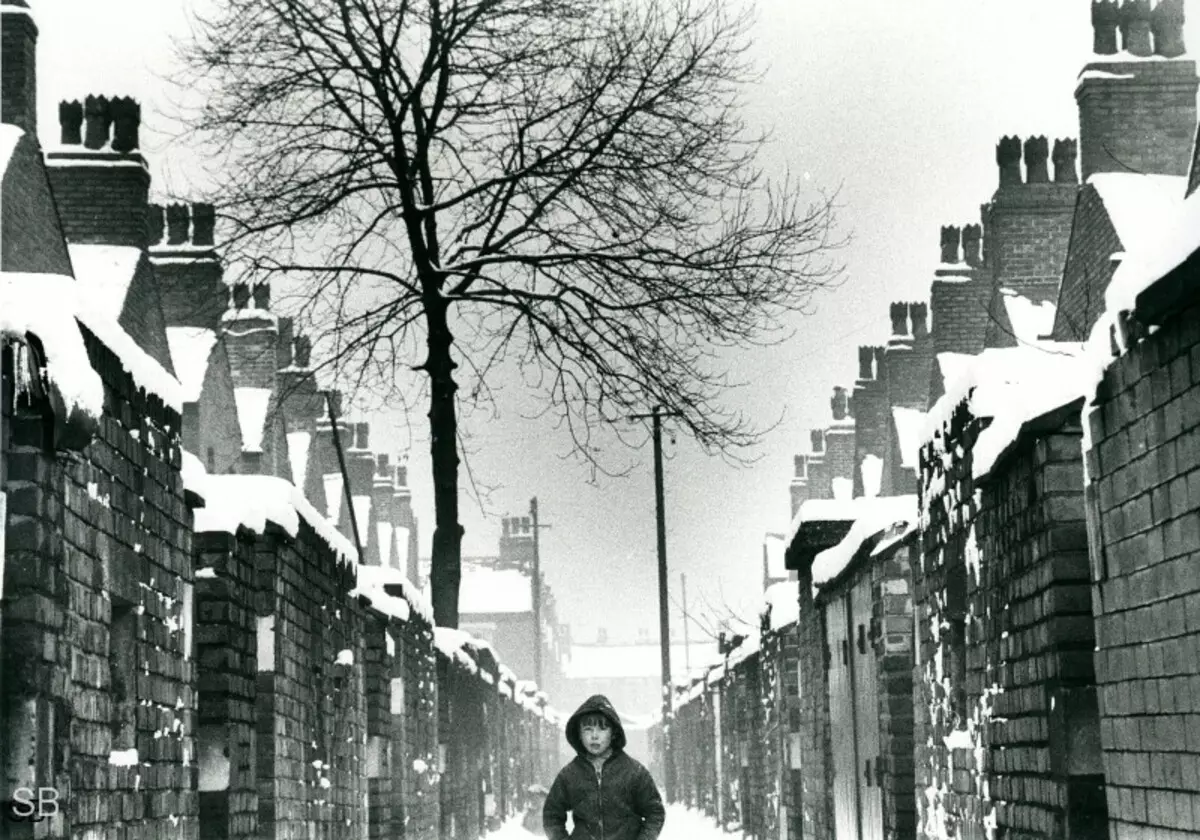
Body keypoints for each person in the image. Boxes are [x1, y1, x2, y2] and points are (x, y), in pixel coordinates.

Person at [542, 695, 666, 840]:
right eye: (588, 729)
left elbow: (655, 812)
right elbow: (551, 815)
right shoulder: (570, 775)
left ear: (613, 733)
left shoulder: (633, 772)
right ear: (579, 734)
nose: (594, 736)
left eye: (602, 729)